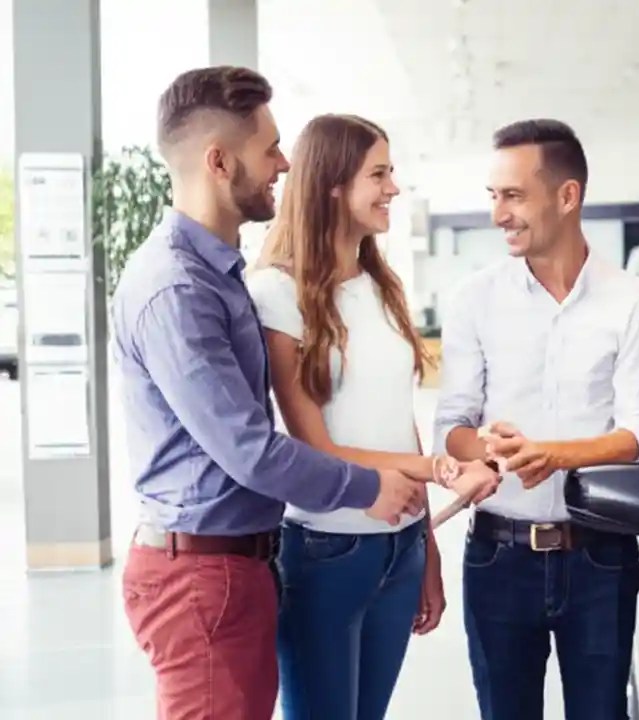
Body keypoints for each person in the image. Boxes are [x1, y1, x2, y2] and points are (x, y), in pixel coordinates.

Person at [111, 66, 428, 720]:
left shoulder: (219, 274)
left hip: (238, 568)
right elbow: (251, 451)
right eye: (270, 149)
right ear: (220, 162)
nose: (286, 163)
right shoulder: (179, 289)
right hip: (200, 579)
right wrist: (371, 488)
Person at [247, 113, 500, 719]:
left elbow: (397, 416)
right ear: (332, 183)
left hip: (399, 547)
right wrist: (440, 468)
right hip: (326, 550)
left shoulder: (382, 285)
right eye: (379, 174)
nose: (393, 188)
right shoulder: (276, 292)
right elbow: (313, 445)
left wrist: (427, 549)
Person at [433, 119, 639, 720]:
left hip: (600, 559)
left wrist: (554, 455)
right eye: (493, 197)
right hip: (498, 558)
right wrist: (487, 447)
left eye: (513, 196)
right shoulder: (474, 300)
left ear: (568, 196)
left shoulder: (632, 300)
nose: (498, 215)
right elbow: (452, 425)